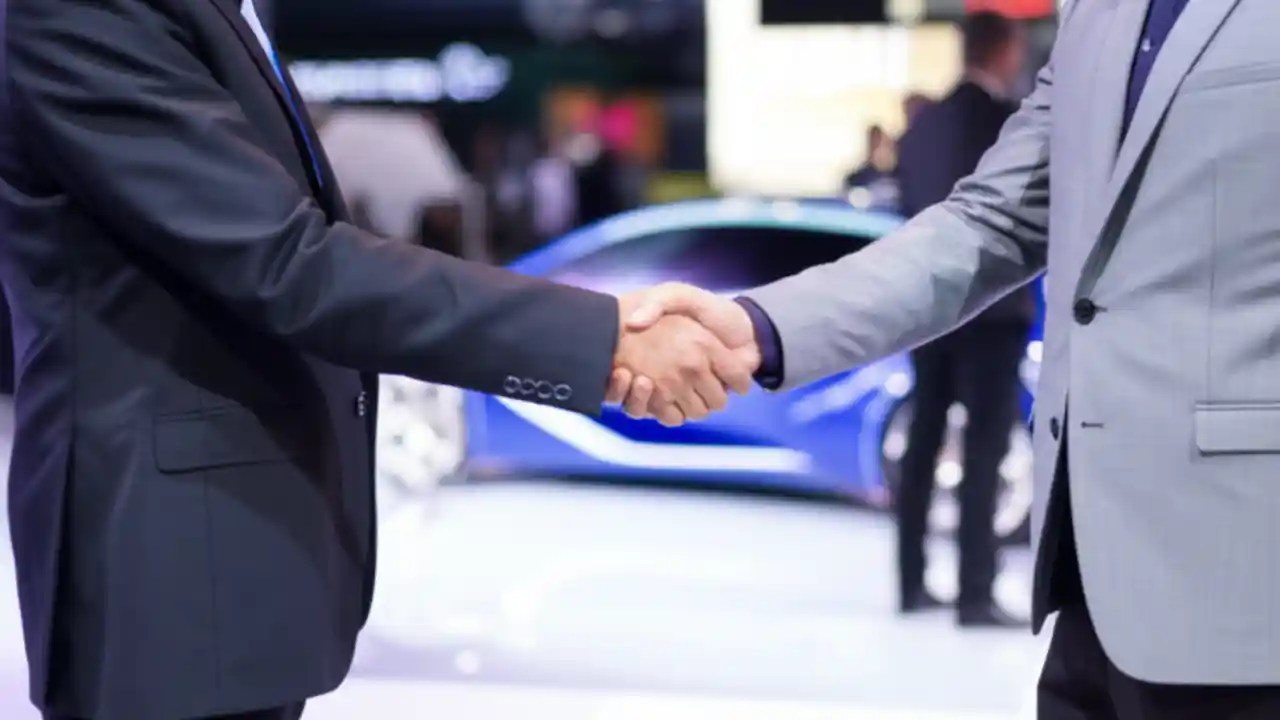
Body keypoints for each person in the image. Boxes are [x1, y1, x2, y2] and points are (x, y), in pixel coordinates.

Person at [0, 2, 755, 719]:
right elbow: (290, 266)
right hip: (160, 565)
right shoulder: (86, 9)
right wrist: (602, 338)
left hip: (216, 556)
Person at [619, 0, 1280, 716]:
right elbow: (989, 221)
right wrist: (759, 327)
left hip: (1246, 577)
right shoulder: (1097, 10)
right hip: (1089, 588)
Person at [892, 11, 1033, 629]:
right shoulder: (1009, 124)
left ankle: (911, 582)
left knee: (923, 442)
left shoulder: (922, 126)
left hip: (928, 309)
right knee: (984, 448)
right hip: (994, 310)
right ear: (1003, 51)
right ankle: (975, 591)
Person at [842, 125, 900, 213]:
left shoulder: (903, 179)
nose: (882, 152)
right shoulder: (856, 179)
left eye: (886, 146)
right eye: (877, 146)